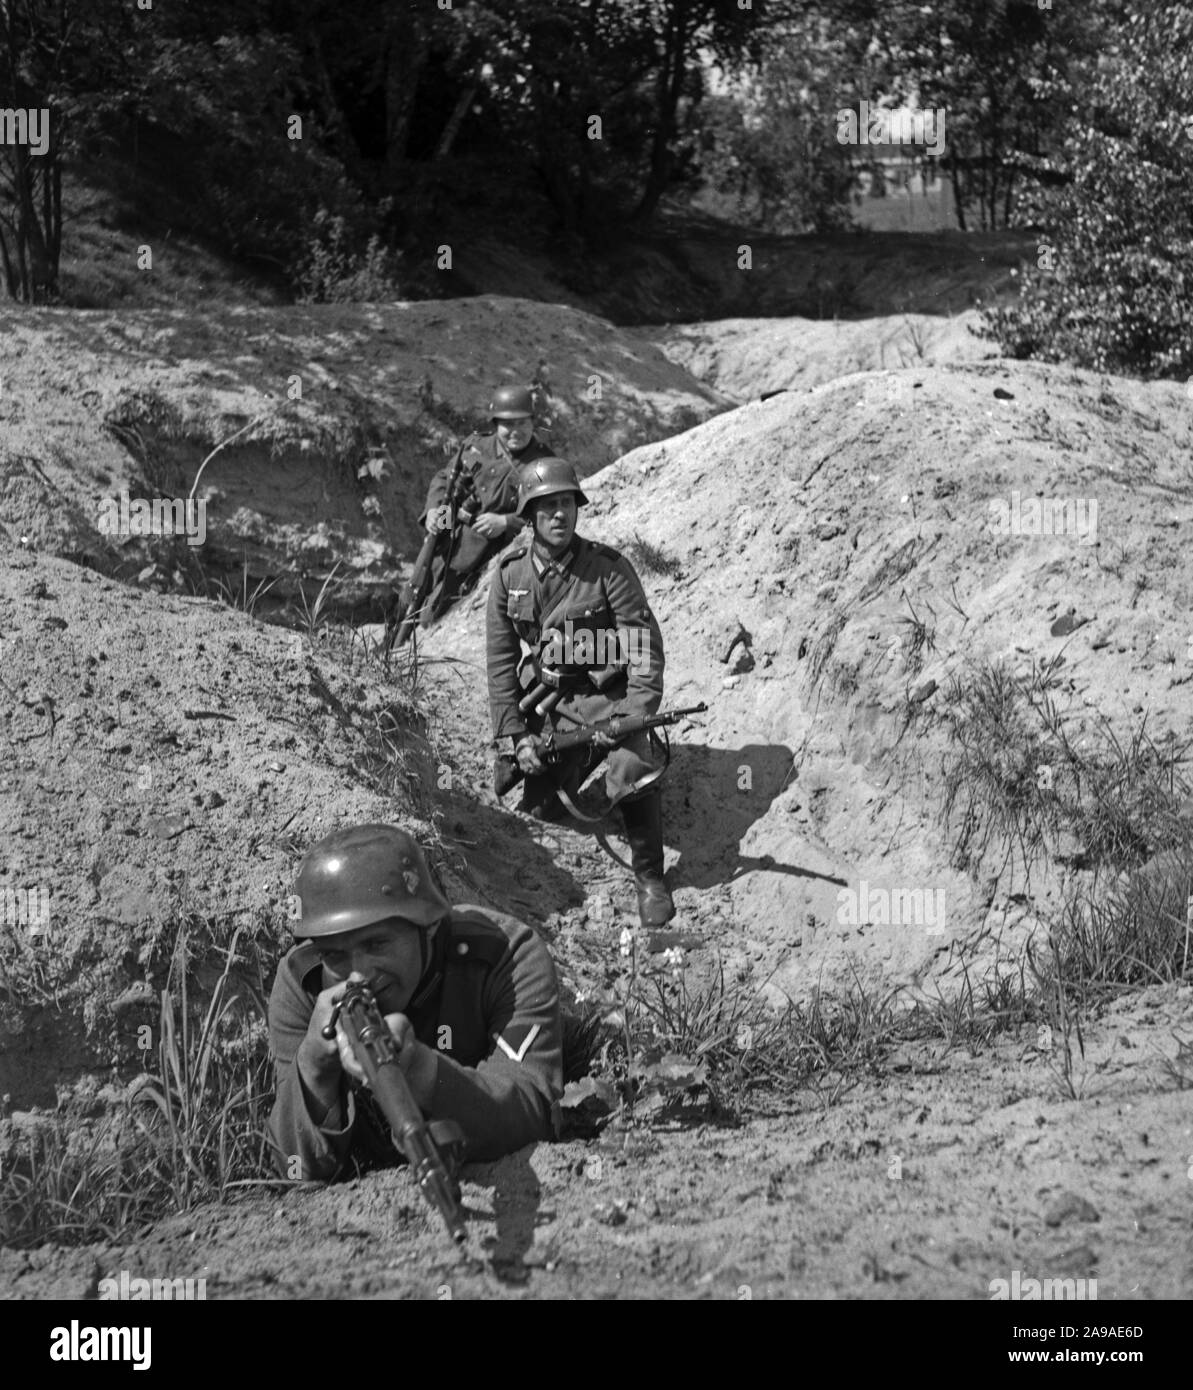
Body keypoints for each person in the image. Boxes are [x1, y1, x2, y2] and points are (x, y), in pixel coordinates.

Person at [267, 823, 563, 1181]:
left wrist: (422, 1071)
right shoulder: (303, 983)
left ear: (430, 926)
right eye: (336, 955)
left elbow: (535, 1113)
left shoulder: (505, 955)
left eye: (377, 945)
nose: (358, 975)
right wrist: (314, 1065)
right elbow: (293, 1171)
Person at [486, 457, 675, 930]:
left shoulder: (607, 569)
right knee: (543, 809)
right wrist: (516, 737)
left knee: (631, 765)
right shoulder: (510, 576)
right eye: (547, 506)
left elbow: (643, 650)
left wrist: (631, 716)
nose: (559, 515)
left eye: (567, 503)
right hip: (548, 709)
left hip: (606, 702)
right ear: (529, 515)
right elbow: (500, 663)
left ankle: (650, 877)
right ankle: (570, 769)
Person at [414, 383, 555, 625]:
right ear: (495, 424)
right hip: (447, 539)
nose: (516, 431)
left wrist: (506, 522)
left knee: (435, 612)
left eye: (522, 423)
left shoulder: (543, 462)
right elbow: (445, 479)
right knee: (413, 593)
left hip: (486, 554)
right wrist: (434, 512)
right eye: (508, 424)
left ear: (533, 422)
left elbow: (549, 512)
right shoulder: (476, 446)